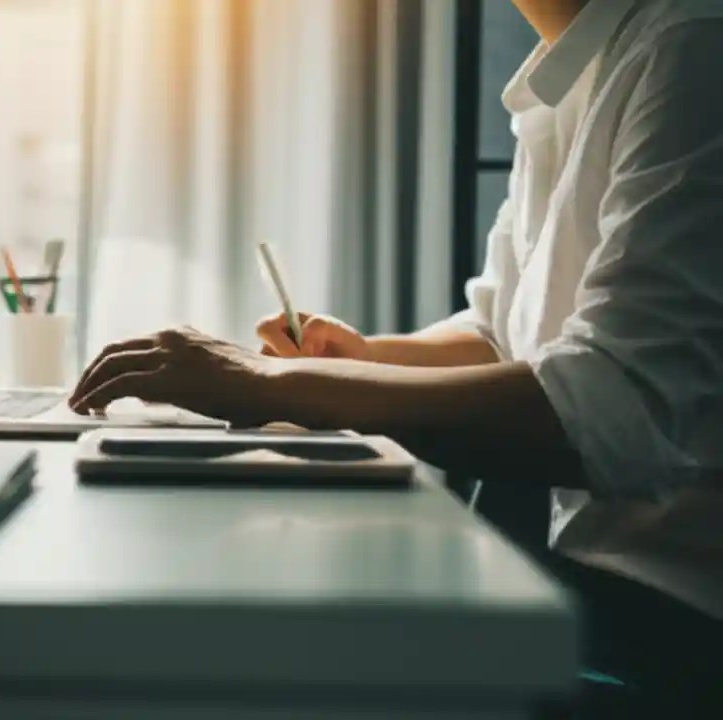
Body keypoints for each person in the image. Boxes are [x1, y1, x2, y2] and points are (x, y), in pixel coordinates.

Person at [71, 0, 722, 709]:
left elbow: (611, 410)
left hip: (669, 633)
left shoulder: (695, 48)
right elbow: (499, 336)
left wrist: (273, 382)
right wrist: (358, 357)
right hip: (589, 593)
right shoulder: (572, 71)